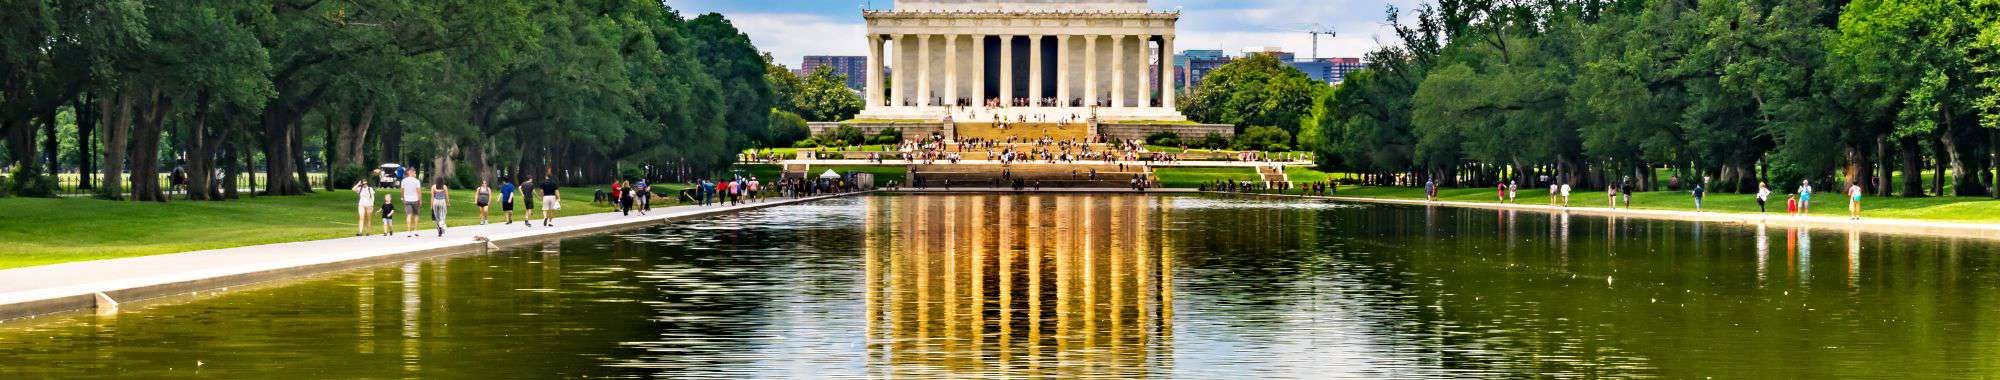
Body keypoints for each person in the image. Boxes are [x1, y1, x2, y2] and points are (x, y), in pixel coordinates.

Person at [400, 170, 423, 235]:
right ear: (411, 173)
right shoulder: (416, 181)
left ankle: (409, 231)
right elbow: (418, 191)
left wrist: (402, 197)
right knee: (416, 215)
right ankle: (415, 230)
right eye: (414, 173)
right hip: (415, 199)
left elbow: (402, 190)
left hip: (407, 200)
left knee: (408, 215)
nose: (415, 174)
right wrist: (420, 200)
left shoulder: (403, 181)